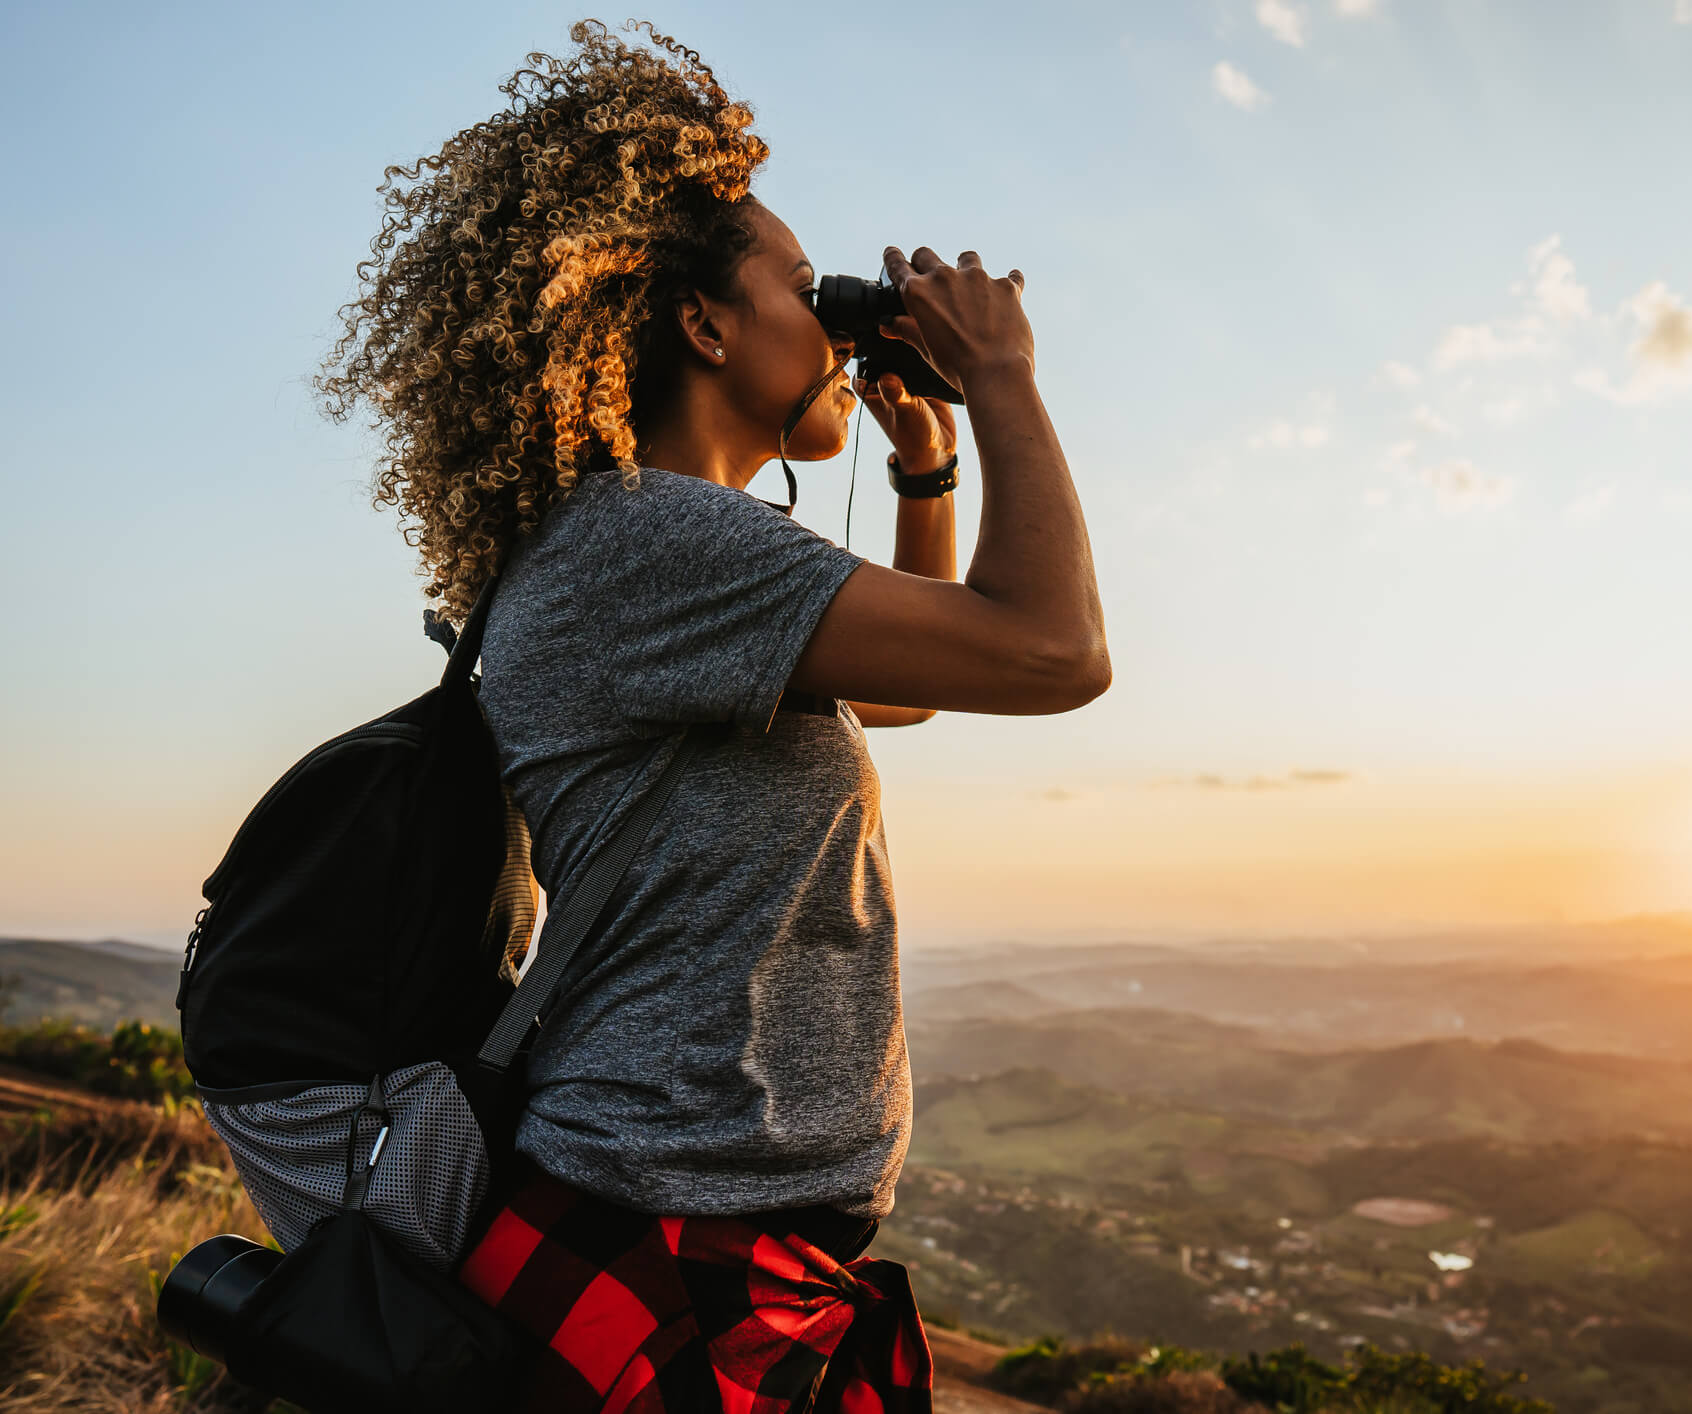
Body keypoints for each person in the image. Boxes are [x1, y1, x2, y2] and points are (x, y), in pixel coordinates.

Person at [316, 21, 1108, 1414]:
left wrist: (925, 474)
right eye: (804, 287)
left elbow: (908, 690)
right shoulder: (660, 541)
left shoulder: (647, 545)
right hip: (680, 1240)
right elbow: (1053, 651)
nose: (836, 312)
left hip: (698, 1226)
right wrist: (1001, 378)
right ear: (704, 324)